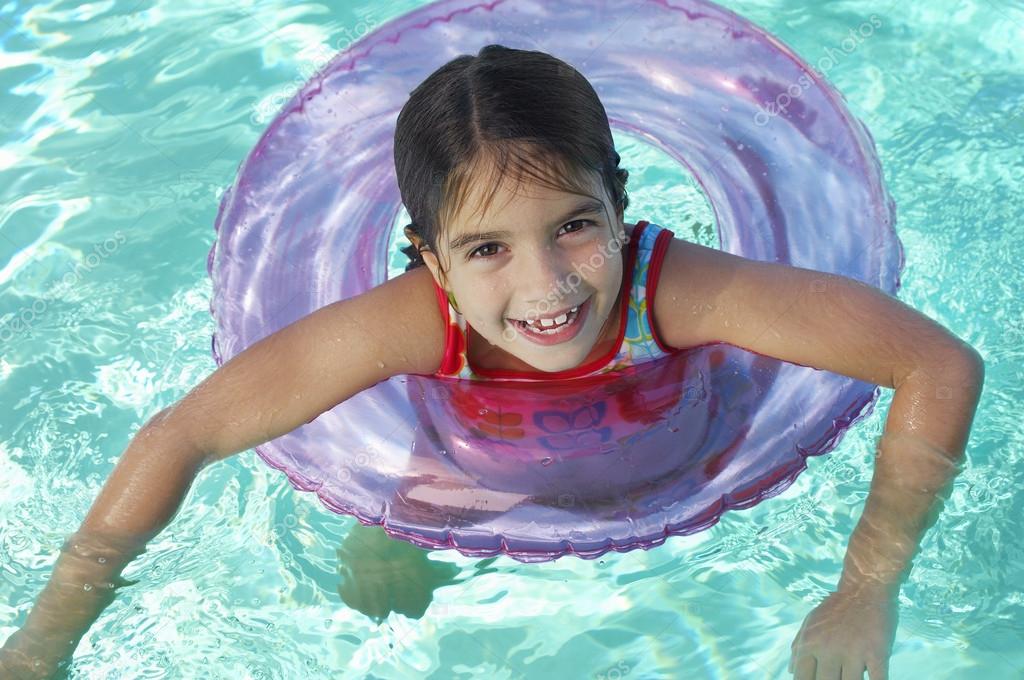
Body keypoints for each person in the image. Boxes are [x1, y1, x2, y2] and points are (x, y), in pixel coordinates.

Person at [1, 44, 984, 680]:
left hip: (691, 449)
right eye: (487, 249)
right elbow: (184, 431)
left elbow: (937, 364)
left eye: (573, 226)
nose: (547, 286)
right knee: (373, 594)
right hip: (460, 479)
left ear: (619, 200)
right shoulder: (414, 318)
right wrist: (48, 635)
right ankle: (393, 534)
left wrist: (865, 585)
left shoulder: (674, 288)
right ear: (429, 256)